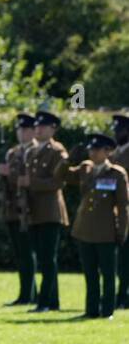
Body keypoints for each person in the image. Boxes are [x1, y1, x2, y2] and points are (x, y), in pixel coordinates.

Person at [66, 132, 129, 319]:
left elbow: (123, 206)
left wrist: (122, 232)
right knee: (90, 274)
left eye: (97, 149)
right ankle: (91, 309)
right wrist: (68, 160)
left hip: (106, 232)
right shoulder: (86, 169)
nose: (92, 153)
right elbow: (61, 176)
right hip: (84, 229)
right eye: (90, 149)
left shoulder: (116, 174)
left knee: (108, 275)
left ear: (107, 151)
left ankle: (107, 311)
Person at [22, 110, 68, 311]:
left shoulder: (57, 151)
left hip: (50, 212)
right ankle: (52, 301)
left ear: (53, 129)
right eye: (37, 126)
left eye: (43, 126)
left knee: (48, 259)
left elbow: (58, 182)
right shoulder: (31, 151)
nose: (38, 129)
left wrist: (31, 182)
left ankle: (45, 302)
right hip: (34, 212)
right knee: (43, 258)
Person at [0, 114, 37, 306]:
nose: (21, 133)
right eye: (19, 130)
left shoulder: (36, 151)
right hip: (13, 208)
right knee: (21, 255)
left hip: (30, 210)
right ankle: (26, 293)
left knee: (29, 254)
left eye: (25, 129)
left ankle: (30, 294)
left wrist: (8, 173)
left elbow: (25, 178)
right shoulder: (12, 152)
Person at [111, 114, 129, 309]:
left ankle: (124, 295)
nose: (117, 134)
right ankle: (120, 294)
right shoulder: (115, 153)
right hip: (116, 212)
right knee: (121, 258)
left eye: (121, 130)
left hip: (126, 209)